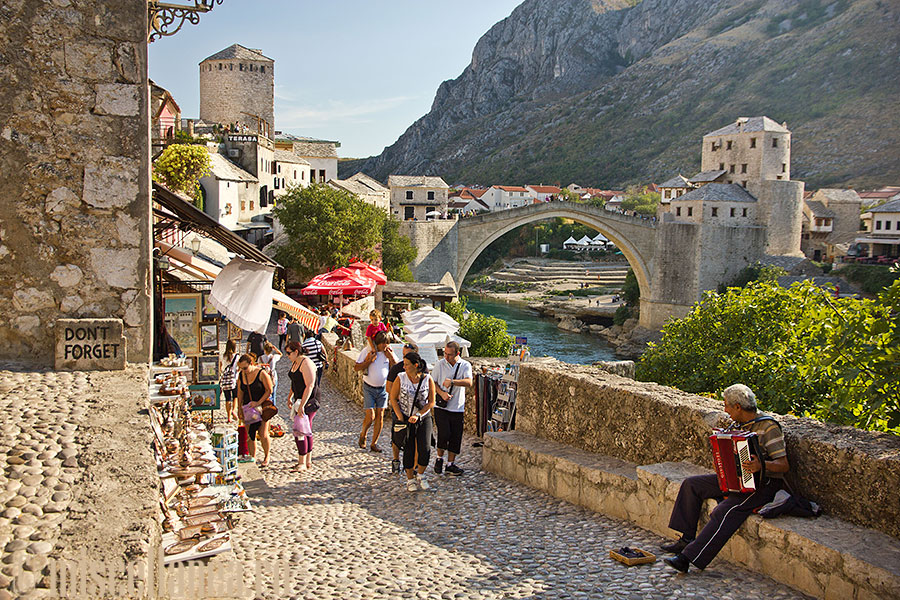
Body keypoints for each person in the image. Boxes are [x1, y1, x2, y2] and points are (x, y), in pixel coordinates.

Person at [661, 384, 789, 573]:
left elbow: (784, 465)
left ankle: (687, 558)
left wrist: (762, 465)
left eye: (727, 405)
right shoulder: (736, 426)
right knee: (692, 485)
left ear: (738, 407)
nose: (725, 410)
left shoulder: (768, 427)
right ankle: (686, 539)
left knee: (725, 510)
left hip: (763, 484)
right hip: (737, 479)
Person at [389, 351, 436, 491]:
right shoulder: (400, 378)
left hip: (423, 417)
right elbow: (393, 398)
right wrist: (399, 416)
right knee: (408, 449)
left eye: (407, 364)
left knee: (425, 448)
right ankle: (410, 479)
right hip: (405, 418)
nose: (404, 367)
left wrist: (420, 414)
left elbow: (431, 402)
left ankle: (421, 474)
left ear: (416, 365)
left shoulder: (428, 379)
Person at [432, 341, 473, 476]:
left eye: (449, 354)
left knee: (455, 436)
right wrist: (442, 393)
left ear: (457, 353)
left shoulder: (465, 365)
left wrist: (453, 382)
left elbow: (469, 382)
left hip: (457, 407)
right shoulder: (440, 364)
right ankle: (439, 458)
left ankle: (450, 464)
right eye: (445, 353)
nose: (447, 357)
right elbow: (433, 382)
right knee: (444, 433)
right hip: (441, 407)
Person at [354, 331, 396, 453]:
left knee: (380, 415)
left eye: (386, 343)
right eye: (383, 343)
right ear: (377, 343)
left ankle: (374, 443)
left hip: (383, 388)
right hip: (369, 387)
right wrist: (368, 361)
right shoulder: (368, 351)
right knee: (371, 415)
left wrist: (391, 358)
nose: (385, 346)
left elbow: (397, 367)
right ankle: (363, 434)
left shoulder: (388, 353)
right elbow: (356, 367)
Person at [386, 341, 421, 474]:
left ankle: (416, 465)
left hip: (415, 410)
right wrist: (401, 397)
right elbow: (388, 388)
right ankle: (396, 460)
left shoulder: (421, 369)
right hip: (400, 408)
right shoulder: (397, 368)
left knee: (417, 436)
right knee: (397, 434)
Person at [285, 340, 319, 472]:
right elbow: (295, 380)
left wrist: (302, 405)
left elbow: (310, 385)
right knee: (306, 428)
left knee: (300, 430)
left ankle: (302, 462)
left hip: (309, 400)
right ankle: (307, 460)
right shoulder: (295, 362)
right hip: (299, 398)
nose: (287, 356)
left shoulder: (306, 363)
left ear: (296, 352)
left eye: (288, 353)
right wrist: (290, 396)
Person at [236, 354, 274, 467]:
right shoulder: (241, 375)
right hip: (248, 409)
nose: (243, 370)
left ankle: (267, 456)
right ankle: (253, 457)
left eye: (245, 368)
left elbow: (269, 390)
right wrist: (239, 408)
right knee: (250, 434)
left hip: (261, 408)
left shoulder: (261, 373)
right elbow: (240, 392)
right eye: (241, 368)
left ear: (251, 364)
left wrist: (258, 403)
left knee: (263, 433)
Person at [258, 341, 283, 411]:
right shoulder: (273, 357)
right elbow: (280, 354)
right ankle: (272, 408)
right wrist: (275, 348)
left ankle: (265, 406)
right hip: (272, 376)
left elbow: (258, 367)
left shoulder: (260, 358)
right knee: (273, 393)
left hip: (263, 376)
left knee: (265, 392)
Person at [219, 339, 240, 422]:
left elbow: (220, 368)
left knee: (227, 398)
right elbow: (238, 368)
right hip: (234, 379)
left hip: (225, 380)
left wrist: (224, 373)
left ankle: (228, 417)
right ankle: (234, 410)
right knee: (235, 396)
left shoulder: (223, 356)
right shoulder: (237, 357)